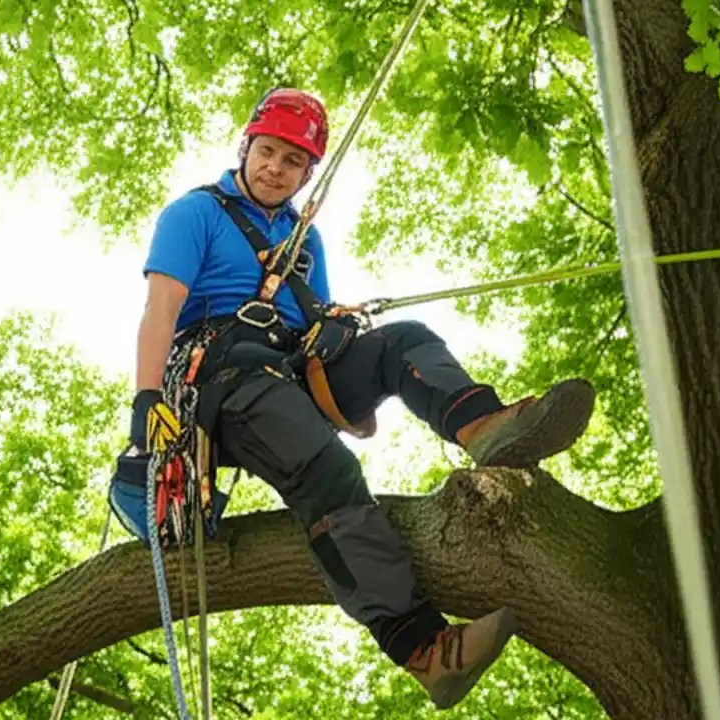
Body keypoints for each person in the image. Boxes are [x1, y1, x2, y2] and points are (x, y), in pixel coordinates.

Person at [107, 88, 596, 710]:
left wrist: (332, 330)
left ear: (308, 173)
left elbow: (322, 355)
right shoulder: (195, 214)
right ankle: (421, 647)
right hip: (222, 381)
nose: (275, 169)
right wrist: (147, 397)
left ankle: (484, 428)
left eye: (292, 162)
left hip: (288, 377)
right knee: (329, 472)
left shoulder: (304, 244)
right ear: (246, 148)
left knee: (403, 342)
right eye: (268, 152)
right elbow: (161, 310)